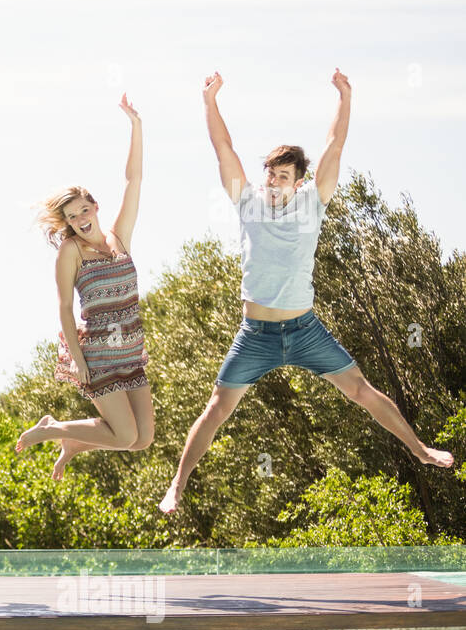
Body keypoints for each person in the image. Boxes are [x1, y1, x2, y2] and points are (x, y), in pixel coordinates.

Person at [160, 69, 454, 512]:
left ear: (298, 181)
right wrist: (210, 100)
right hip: (255, 335)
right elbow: (224, 148)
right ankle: (178, 486)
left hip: (304, 330)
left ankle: (419, 449)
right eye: (270, 174)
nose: (274, 181)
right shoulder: (248, 202)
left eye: (283, 175)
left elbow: (335, 146)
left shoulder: (312, 203)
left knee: (360, 389)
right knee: (217, 409)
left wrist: (345, 96)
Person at [16, 95, 152, 477]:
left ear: (95, 205)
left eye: (84, 210)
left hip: (131, 349)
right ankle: (53, 429)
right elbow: (63, 308)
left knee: (142, 439)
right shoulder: (70, 251)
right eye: (72, 217)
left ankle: (74, 442)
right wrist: (77, 359)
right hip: (98, 355)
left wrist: (136, 125)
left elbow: (134, 179)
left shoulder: (118, 238)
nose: (80, 220)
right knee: (125, 435)